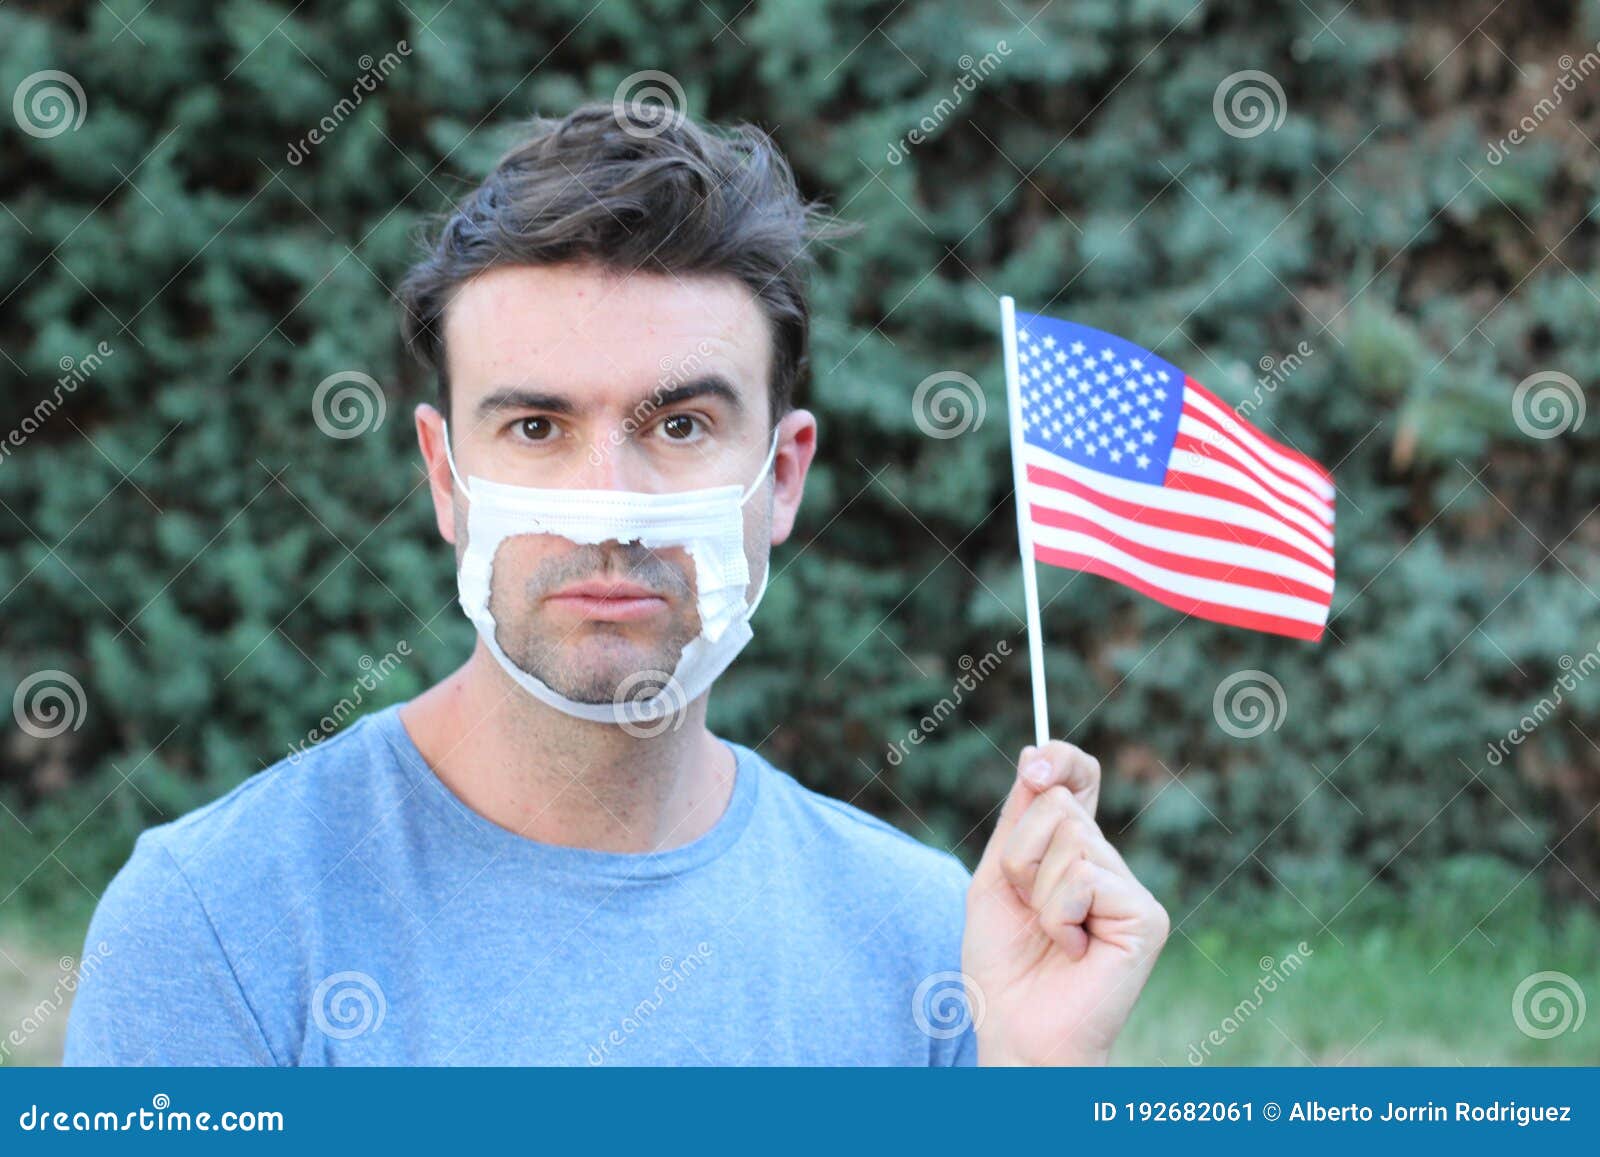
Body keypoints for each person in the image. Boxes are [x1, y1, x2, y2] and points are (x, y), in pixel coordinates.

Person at [64, 102, 1167, 1066]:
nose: (610, 506)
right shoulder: (217, 921)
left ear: (780, 476)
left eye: (679, 424)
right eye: (536, 427)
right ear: (447, 477)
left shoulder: (936, 937)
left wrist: (1037, 1072)